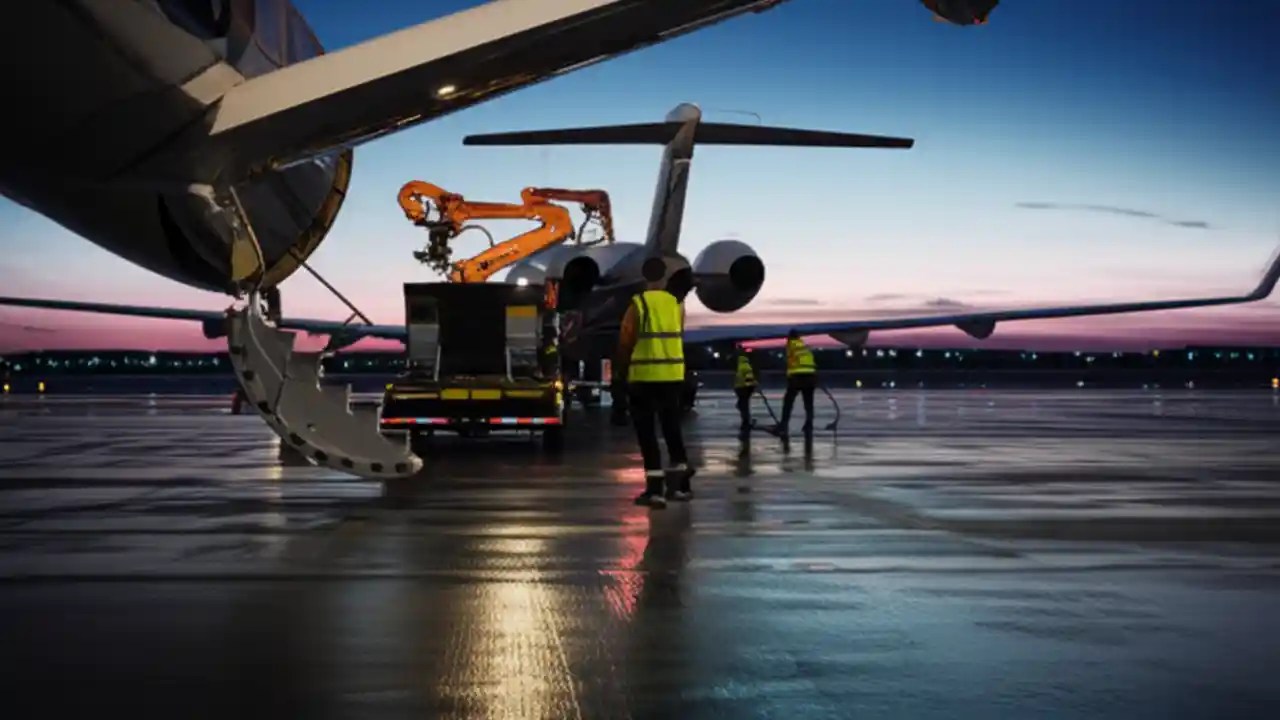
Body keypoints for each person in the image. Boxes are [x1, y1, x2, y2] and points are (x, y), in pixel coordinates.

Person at [615, 256, 694, 507]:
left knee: (647, 435)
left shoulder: (638, 304)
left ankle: (655, 490)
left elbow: (626, 340)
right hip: (672, 377)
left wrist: (620, 370)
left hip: (644, 378)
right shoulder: (677, 305)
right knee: (672, 430)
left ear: (644, 277)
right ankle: (681, 487)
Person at [768, 328, 816, 441]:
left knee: (788, 402)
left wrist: (787, 373)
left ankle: (784, 425)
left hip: (798, 377)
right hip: (810, 376)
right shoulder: (804, 346)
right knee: (808, 402)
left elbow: (790, 361)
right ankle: (809, 425)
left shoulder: (791, 346)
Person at [733, 346, 758, 431]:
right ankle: (746, 421)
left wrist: (750, 387)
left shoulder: (743, 366)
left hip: (743, 389)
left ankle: (746, 422)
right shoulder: (742, 365)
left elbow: (748, 379)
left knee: (743, 406)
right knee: (742, 405)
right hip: (742, 389)